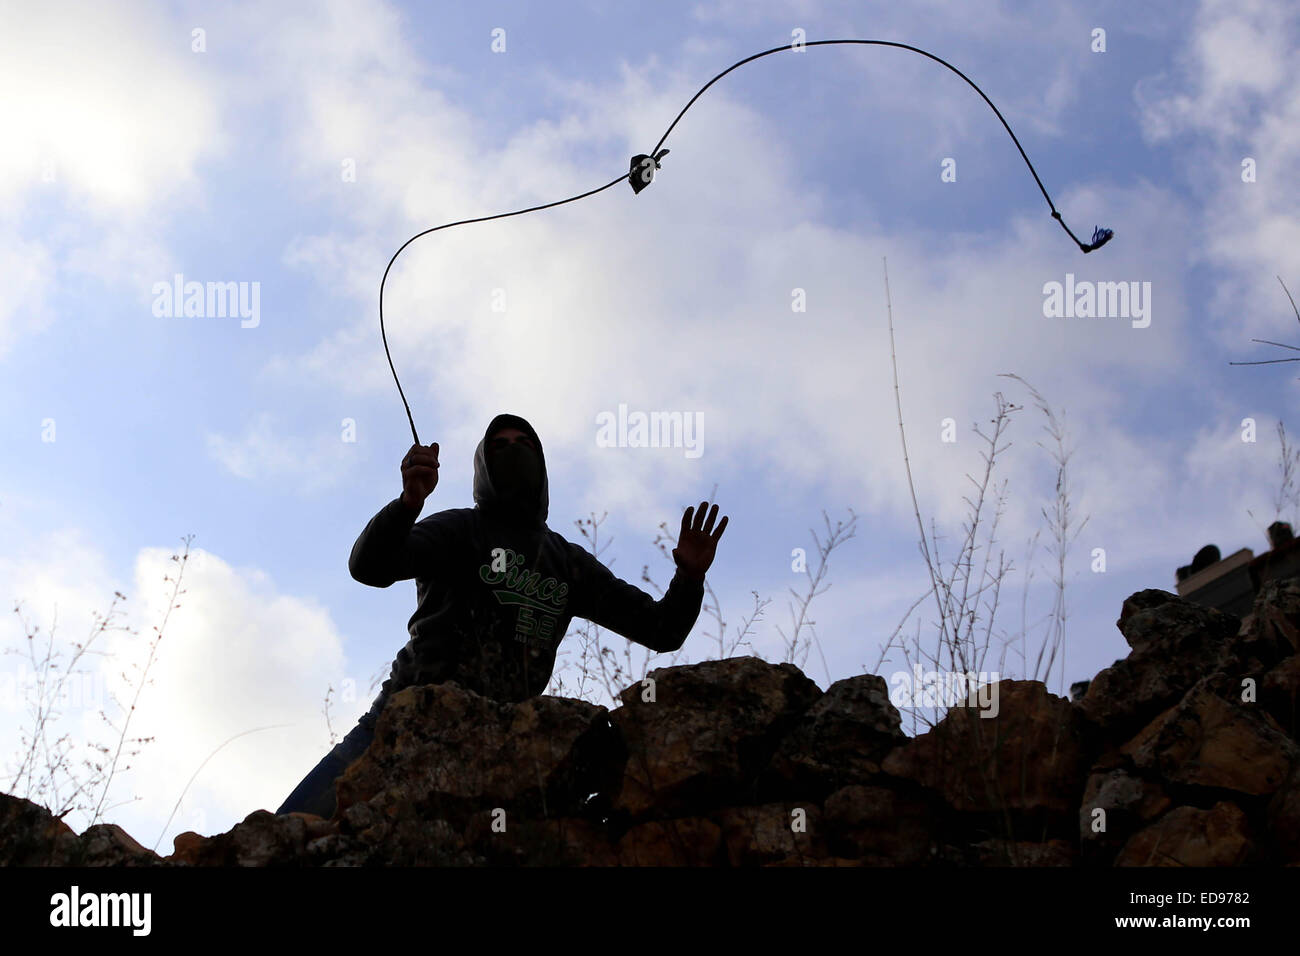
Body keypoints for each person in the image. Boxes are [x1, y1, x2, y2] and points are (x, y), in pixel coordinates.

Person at [275, 412, 728, 818]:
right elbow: (369, 567)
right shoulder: (458, 528)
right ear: (482, 468)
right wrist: (407, 505)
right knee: (284, 837)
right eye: (500, 446)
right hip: (396, 726)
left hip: (496, 752)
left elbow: (661, 629)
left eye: (524, 444)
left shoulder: (567, 563)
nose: (513, 450)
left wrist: (688, 579)